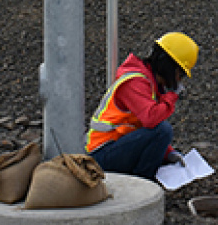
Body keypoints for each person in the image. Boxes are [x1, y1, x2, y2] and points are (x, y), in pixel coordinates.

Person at [85, 32, 198, 180]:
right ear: (169, 67)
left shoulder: (149, 83)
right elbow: (150, 120)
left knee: (161, 132)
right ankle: (142, 184)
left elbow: (140, 128)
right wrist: (171, 96)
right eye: (180, 74)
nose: (179, 80)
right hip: (99, 156)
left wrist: (169, 153)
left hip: (113, 147)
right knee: (163, 130)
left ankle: (142, 180)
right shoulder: (135, 82)